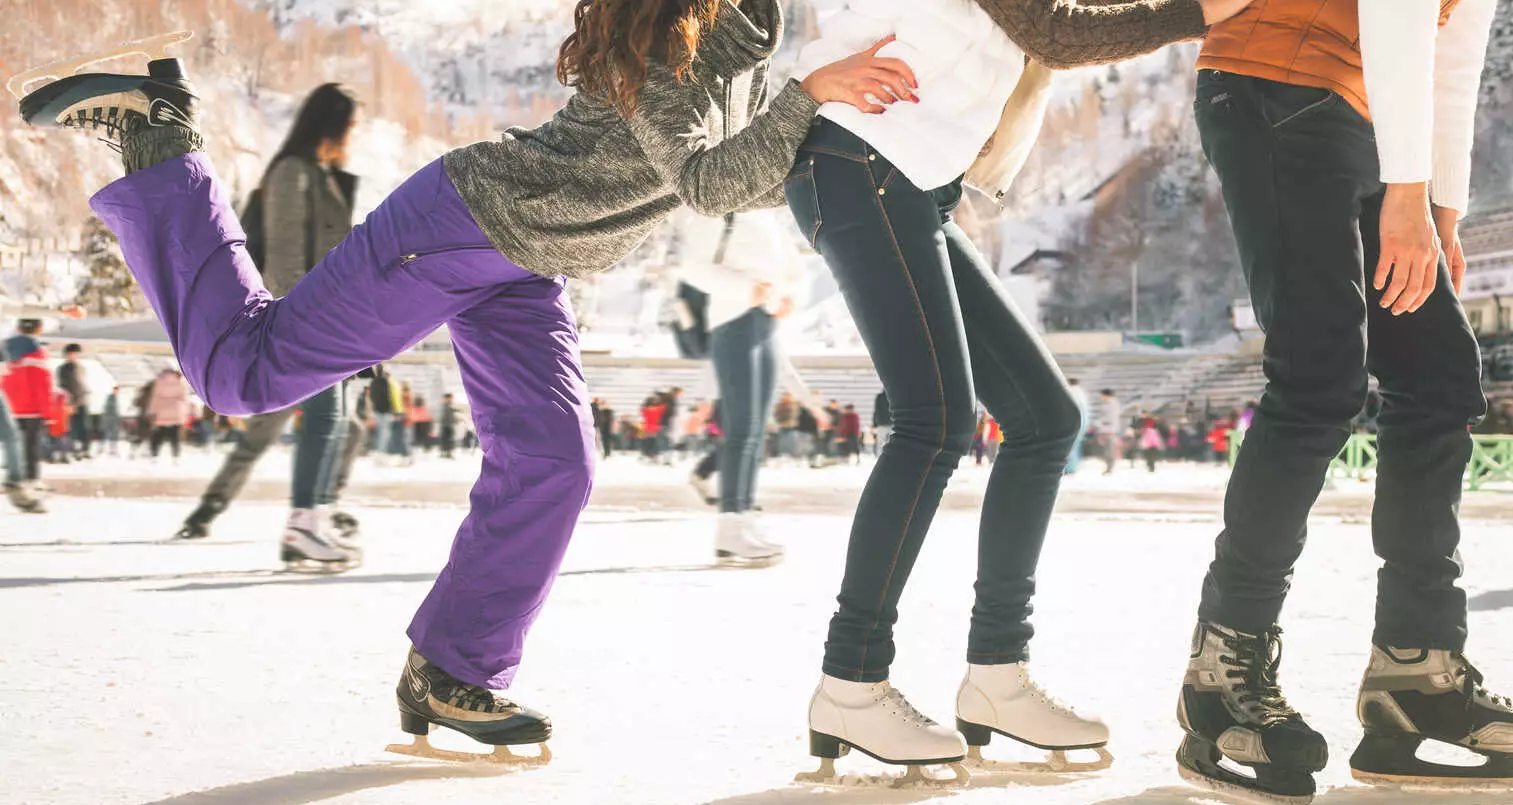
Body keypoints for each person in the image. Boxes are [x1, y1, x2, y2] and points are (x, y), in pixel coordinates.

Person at [22, 0, 915, 759]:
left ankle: (453, 672)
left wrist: (835, 130)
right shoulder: (671, 29)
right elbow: (710, 182)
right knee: (242, 373)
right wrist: (810, 99)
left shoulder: (748, 21)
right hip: (460, 225)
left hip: (527, 259)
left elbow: (721, 175)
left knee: (555, 463)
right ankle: (159, 135)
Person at [785, 0, 1248, 780]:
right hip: (862, 157)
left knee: (1045, 418)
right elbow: (1058, 31)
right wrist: (1200, 12)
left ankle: (997, 676)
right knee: (933, 421)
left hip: (910, 180)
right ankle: (851, 680)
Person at [1177, 0, 1513, 805]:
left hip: (1363, 114)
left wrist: (1437, 209)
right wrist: (1408, 195)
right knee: (1318, 381)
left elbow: (1450, 54)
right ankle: (1222, 669)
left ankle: (1415, 671)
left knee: (1439, 381)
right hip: (1273, 87)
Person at [176, 85, 362, 569]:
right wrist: (308, 322)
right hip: (306, 321)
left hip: (331, 321)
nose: (353, 136)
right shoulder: (292, 174)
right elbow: (283, 258)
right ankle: (302, 527)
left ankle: (314, 521)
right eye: (351, 125)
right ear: (333, 125)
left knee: (338, 423)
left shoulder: (323, 176)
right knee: (322, 422)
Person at [1, 323, 53, 509]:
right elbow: (43, 384)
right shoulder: (36, 350)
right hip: (32, 409)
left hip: (11, 405)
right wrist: (48, 412)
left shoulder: (7, 346)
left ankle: (18, 481)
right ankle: (28, 481)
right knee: (29, 446)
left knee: (13, 441)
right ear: (39, 328)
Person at [145, 367, 188, 460]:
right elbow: (184, 398)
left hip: (162, 411)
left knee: (159, 434)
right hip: (176, 410)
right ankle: (176, 455)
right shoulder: (180, 382)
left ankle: (154, 454)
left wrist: (152, 411)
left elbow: (155, 397)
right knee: (175, 435)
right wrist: (184, 414)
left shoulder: (159, 381)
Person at [56, 344, 91, 458]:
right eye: (71, 354)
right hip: (69, 403)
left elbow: (82, 385)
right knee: (70, 428)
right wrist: (69, 403)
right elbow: (63, 387)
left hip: (82, 401)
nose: (73, 356)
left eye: (75, 354)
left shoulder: (81, 368)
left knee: (84, 427)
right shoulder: (63, 369)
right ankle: (68, 450)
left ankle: (84, 449)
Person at [1065, 375, 1090, 474]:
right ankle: (1073, 467)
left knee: (1070, 447)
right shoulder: (1082, 393)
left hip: (1073, 423)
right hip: (1082, 423)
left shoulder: (1071, 392)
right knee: (1076, 446)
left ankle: (1069, 468)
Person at [1095, 388, 1123, 474]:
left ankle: (1110, 467)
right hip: (1105, 428)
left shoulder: (1112, 404)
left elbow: (1109, 418)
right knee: (1107, 448)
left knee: (1109, 448)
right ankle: (1108, 466)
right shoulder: (1108, 403)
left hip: (1109, 428)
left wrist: (1099, 423)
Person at [440, 393, 460, 459]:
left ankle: (448, 453)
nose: (452, 399)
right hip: (446, 425)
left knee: (448, 439)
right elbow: (448, 416)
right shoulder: (447, 405)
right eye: (451, 398)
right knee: (447, 439)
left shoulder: (448, 405)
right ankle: (446, 453)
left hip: (448, 425)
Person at [872, 389, 891, 454]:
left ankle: (879, 457)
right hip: (892, 423)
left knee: (880, 442)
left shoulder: (879, 397)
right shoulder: (894, 397)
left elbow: (876, 411)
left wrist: (874, 424)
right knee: (893, 442)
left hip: (881, 423)